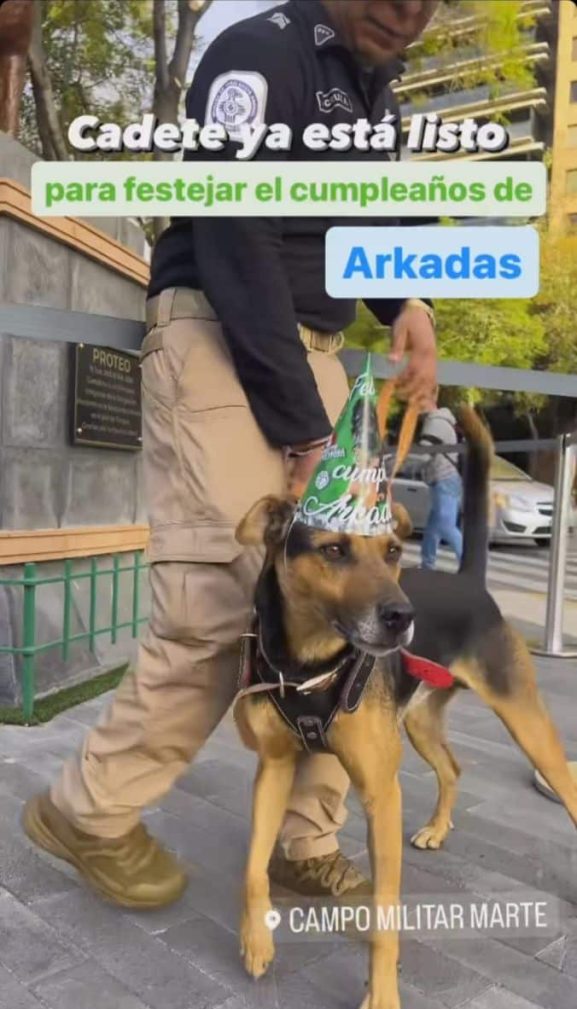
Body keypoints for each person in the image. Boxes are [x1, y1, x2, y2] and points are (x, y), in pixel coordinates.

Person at [23, 0, 441, 909]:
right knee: (215, 609)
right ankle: (86, 813)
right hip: (220, 335)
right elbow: (236, 229)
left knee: (349, 609)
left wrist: (412, 299)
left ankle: (305, 838)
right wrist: (304, 427)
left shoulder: (373, 95)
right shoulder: (260, 52)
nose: (409, 8)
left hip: (318, 357)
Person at [420, 388, 464, 570]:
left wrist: (403, 463)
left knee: (446, 526)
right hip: (446, 479)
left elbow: (424, 452)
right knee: (433, 528)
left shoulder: (435, 423)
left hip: (444, 479)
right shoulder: (439, 420)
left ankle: (467, 563)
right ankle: (427, 564)